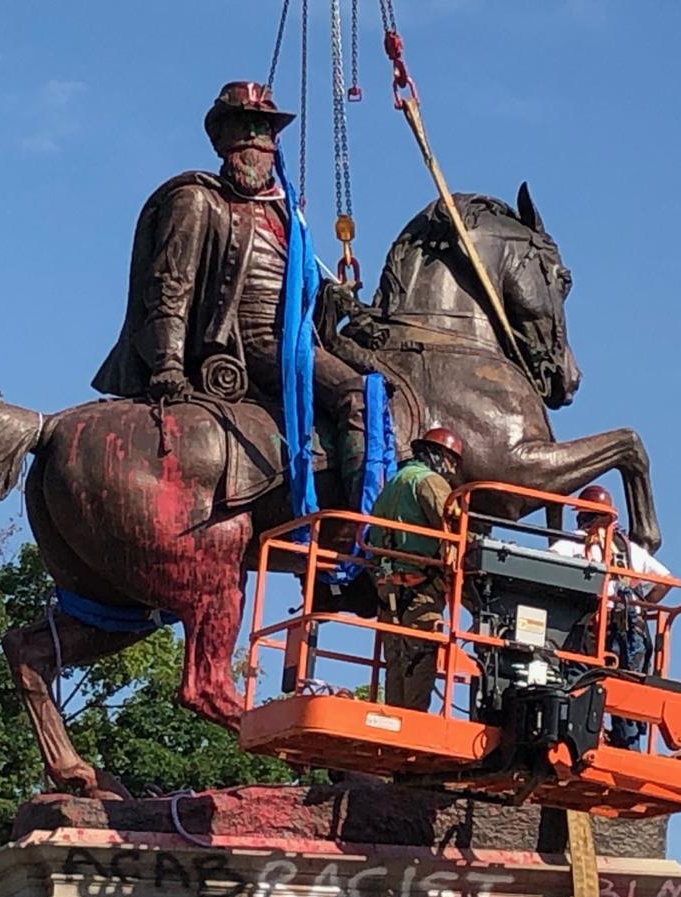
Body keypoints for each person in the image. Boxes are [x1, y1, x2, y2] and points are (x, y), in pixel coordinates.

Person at [92, 81, 370, 508]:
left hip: (294, 335)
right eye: (243, 129)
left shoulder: (287, 213)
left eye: (263, 132)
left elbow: (303, 284)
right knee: (355, 392)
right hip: (252, 343)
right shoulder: (198, 199)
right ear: (220, 140)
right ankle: (364, 519)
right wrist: (168, 361)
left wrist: (339, 300)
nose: (255, 143)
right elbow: (171, 282)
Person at [549, 484, 671, 748]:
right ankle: (627, 752)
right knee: (626, 697)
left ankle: (575, 742)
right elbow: (665, 580)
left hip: (593, 629)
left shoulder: (574, 542)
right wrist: (642, 605)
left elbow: (548, 564)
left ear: (585, 515)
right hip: (630, 632)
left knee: (576, 684)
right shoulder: (628, 549)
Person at [366, 427, 465, 711]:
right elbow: (454, 526)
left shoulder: (394, 483)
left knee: (396, 661)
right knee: (421, 655)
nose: (451, 469)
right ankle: (413, 722)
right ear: (438, 456)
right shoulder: (430, 482)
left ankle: (393, 721)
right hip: (420, 589)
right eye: (451, 461)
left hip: (388, 590)